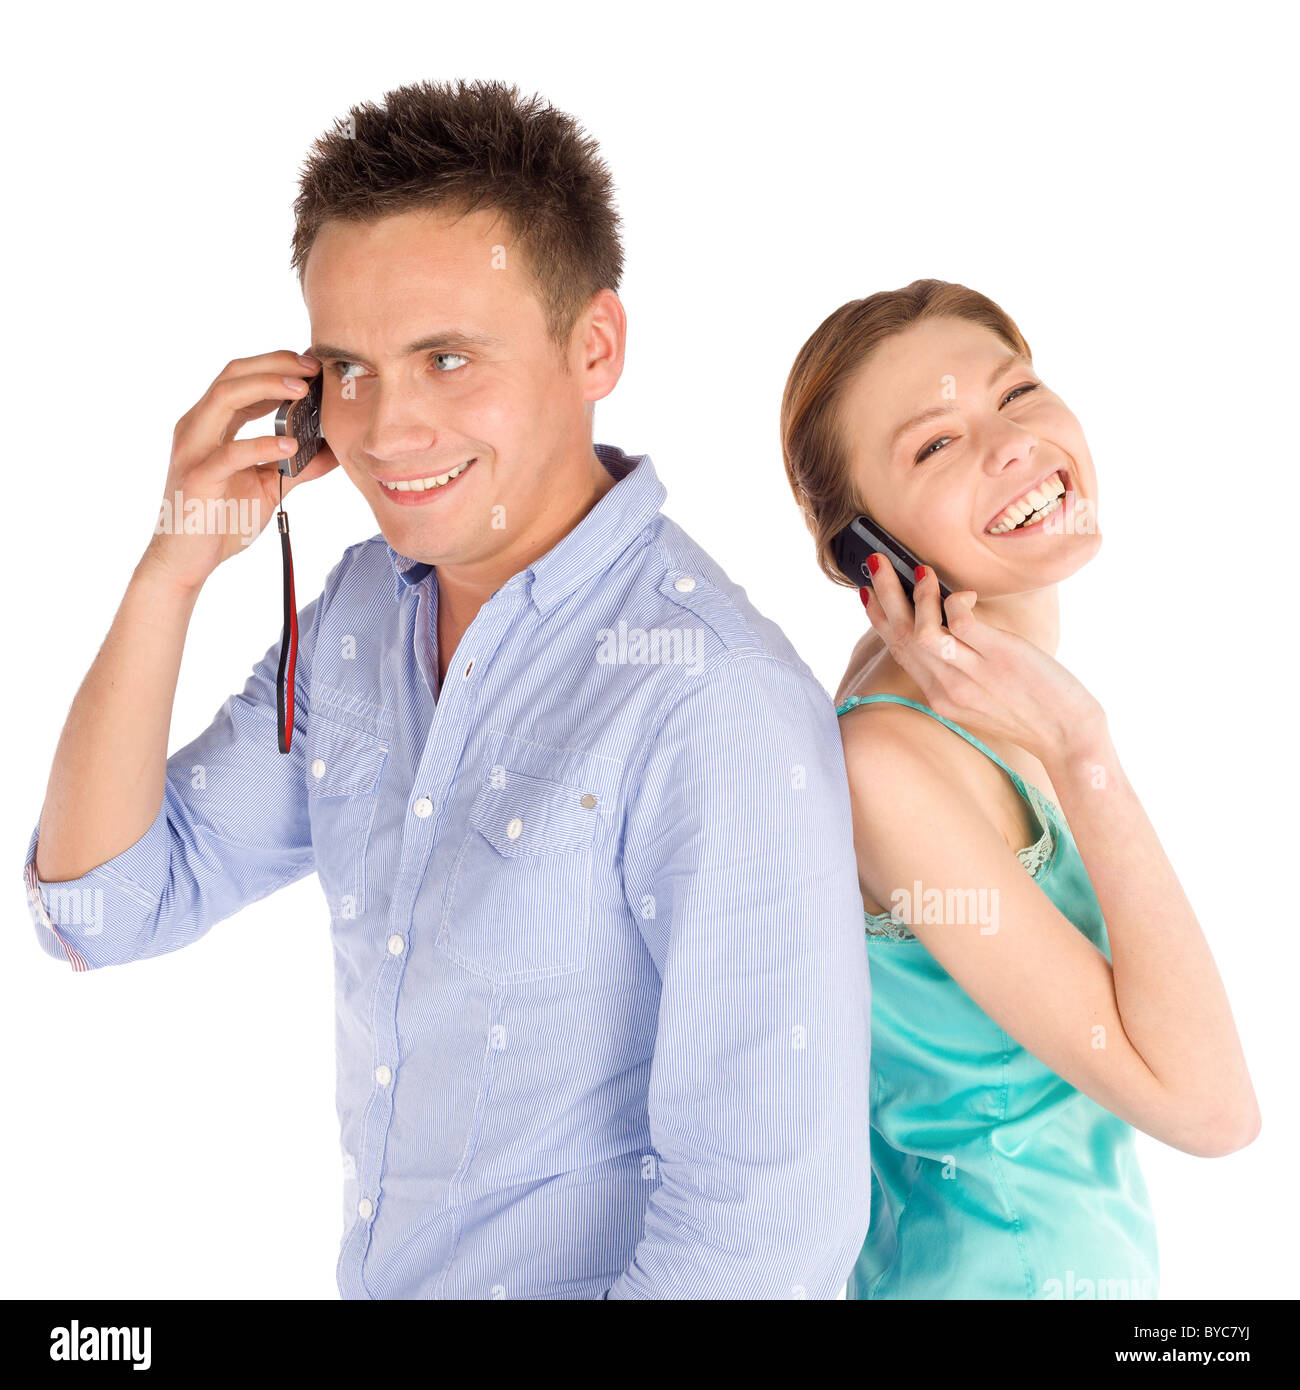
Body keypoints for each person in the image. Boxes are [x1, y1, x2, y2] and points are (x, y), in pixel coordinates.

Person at [24, 79, 871, 1300]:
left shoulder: (710, 697)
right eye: (348, 370)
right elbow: (103, 911)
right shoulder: (367, 613)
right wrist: (175, 563)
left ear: (596, 347)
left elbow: (765, 1243)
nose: (386, 429)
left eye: (447, 357)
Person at [779, 279, 1260, 1300]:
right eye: (933, 445)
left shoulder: (960, 680)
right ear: (868, 552)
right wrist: (1084, 750)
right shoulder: (893, 765)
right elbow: (1212, 1112)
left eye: (1017, 391)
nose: (1008, 444)